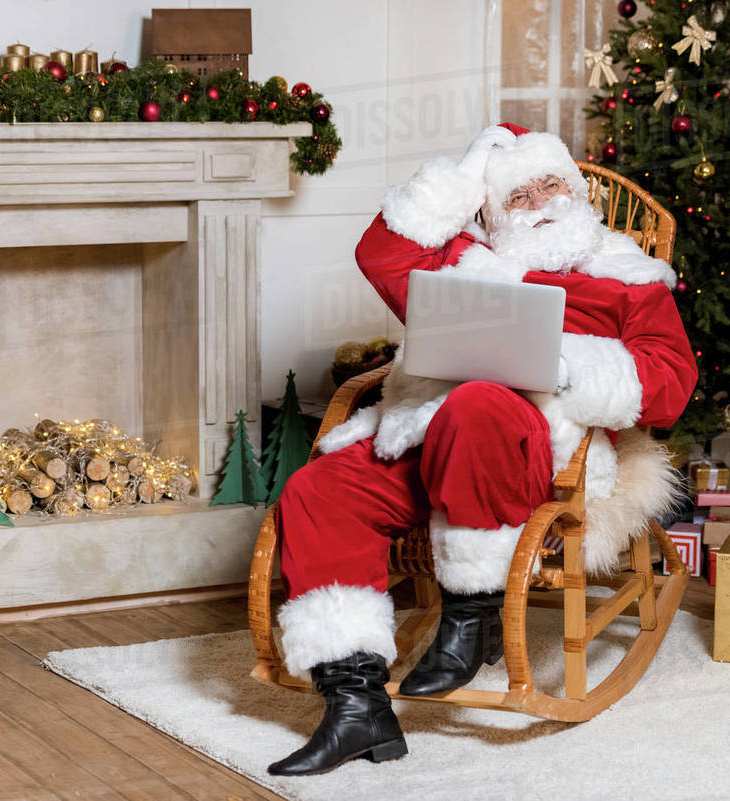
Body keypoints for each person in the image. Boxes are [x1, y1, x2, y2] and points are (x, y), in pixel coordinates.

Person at [267, 123, 698, 776]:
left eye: (552, 183)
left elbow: (671, 379)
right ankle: (356, 705)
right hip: (425, 435)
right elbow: (377, 252)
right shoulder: (461, 260)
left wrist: (566, 366)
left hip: (542, 457)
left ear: (577, 192)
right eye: (519, 194)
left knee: (480, 403)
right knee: (318, 488)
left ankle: (472, 615)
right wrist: (466, 171)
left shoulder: (629, 278)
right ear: (490, 210)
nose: (542, 199)